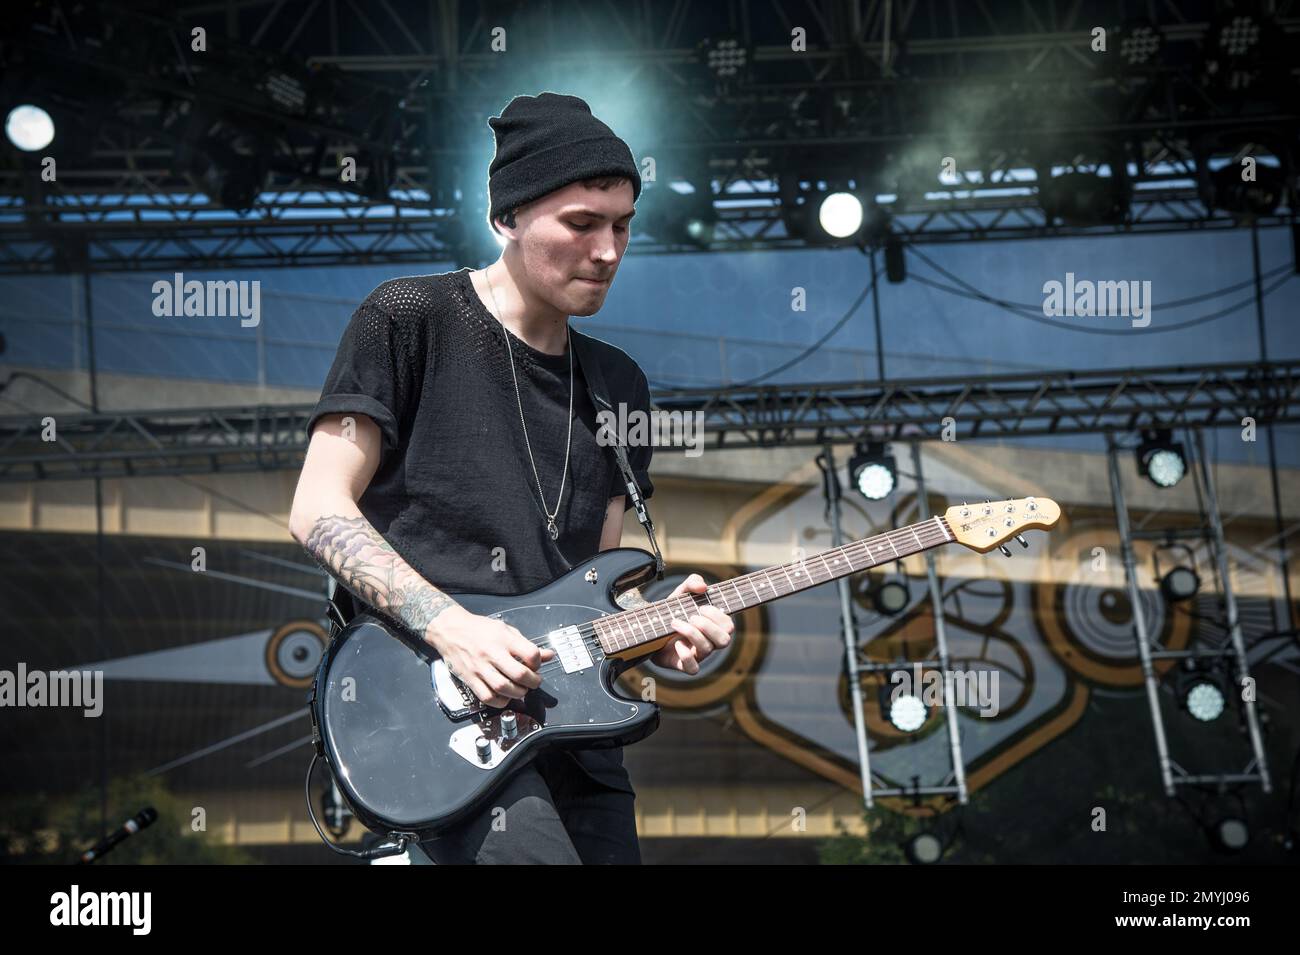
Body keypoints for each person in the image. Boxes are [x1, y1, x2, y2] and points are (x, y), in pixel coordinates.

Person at [289, 92, 734, 864]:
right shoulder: (408, 316)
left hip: (574, 726)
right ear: (508, 219)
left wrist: (656, 628)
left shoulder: (617, 382)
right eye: (581, 224)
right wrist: (452, 629)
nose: (608, 251)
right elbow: (318, 508)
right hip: (438, 707)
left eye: (623, 225)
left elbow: (602, 580)